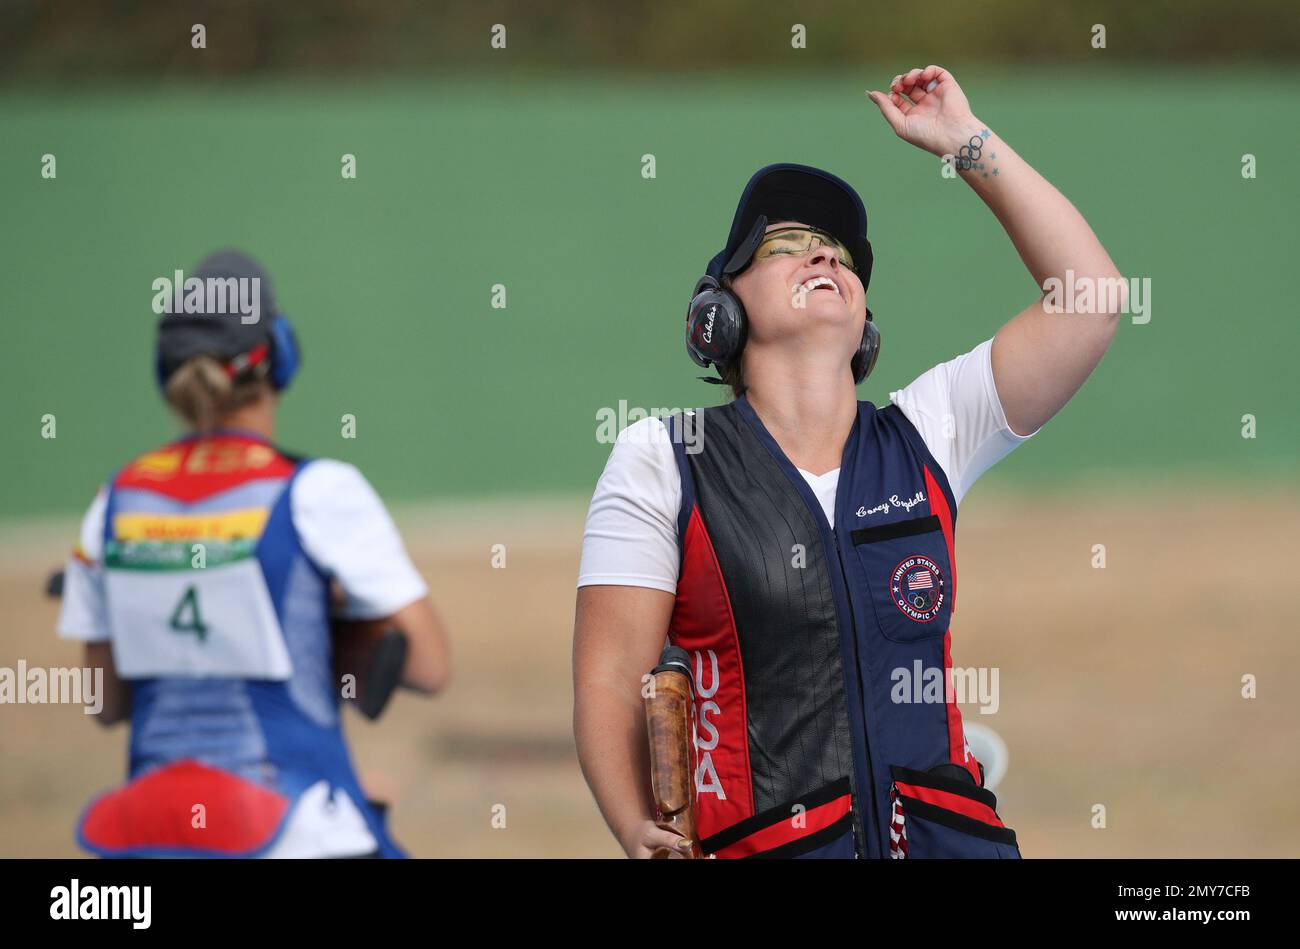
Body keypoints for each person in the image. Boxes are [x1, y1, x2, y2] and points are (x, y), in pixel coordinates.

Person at [573, 65, 1123, 858]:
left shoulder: (928, 429)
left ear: (864, 316)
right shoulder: (663, 458)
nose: (823, 257)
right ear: (719, 310)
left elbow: (1092, 297)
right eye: (786, 246)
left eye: (839, 252)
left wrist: (965, 143)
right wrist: (635, 829)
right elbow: (608, 683)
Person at [55, 249, 450, 858]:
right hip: (294, 829)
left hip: (148, 838)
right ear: (279, 356)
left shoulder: (113, 502)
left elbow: (105, 704)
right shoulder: (318, 490)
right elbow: (429, 665)